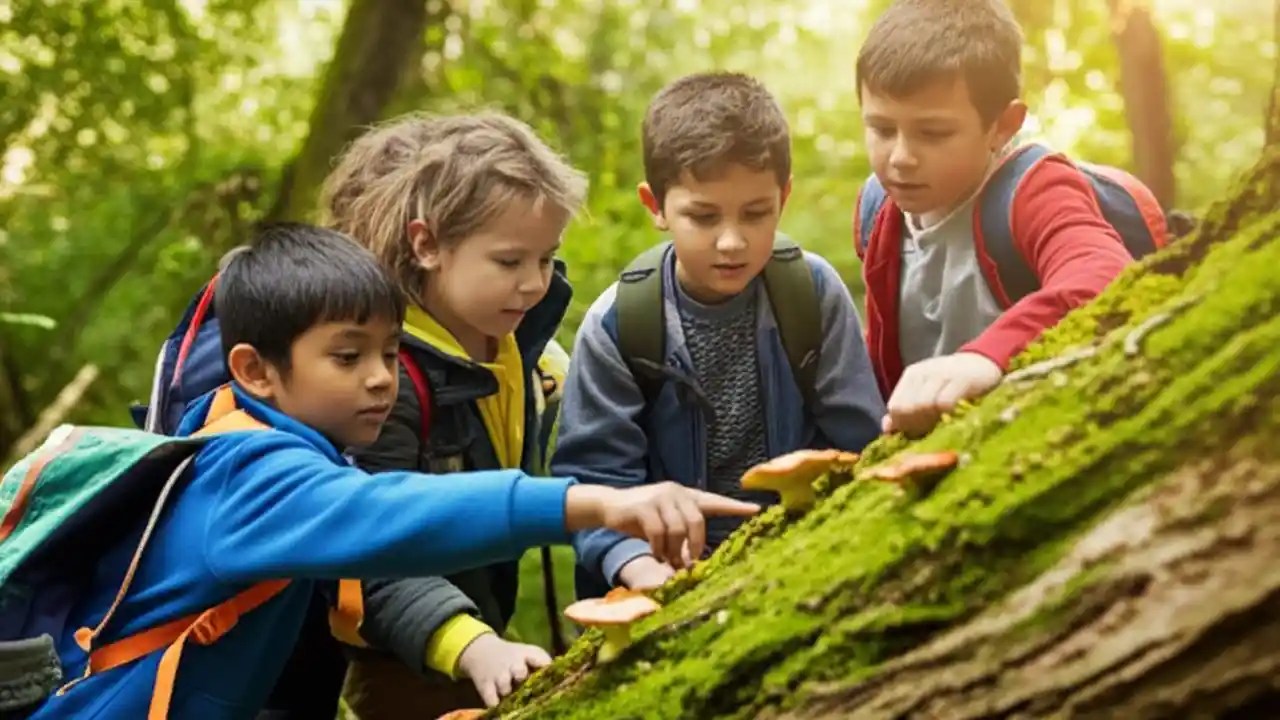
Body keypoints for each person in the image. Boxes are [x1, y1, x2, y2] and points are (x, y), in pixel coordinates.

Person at [31, 223, 758, 718]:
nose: (381, 379)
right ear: (255, 371)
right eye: (348, 357)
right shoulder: (249, 470)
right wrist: (593, 506)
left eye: (388, 353)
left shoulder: (260, 443)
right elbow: (393, 515)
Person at [551, 72, 886, 600]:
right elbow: (594, 480)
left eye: (756, 213)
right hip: (667, 573)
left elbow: (861, 442)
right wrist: (638, 567)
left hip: (798, 555)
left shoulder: (810, 291)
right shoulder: (618, 324)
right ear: (655, 206)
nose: (731, 241)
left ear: (785, 196)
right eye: (703, 217)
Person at [319, 111, 588, 714]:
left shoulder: (524, 351)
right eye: (509, 261)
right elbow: (366, 553)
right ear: (428, 244)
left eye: (546, 259)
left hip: (476, 638)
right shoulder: (383, 383)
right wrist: (471, 645)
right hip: (407, 661)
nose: (535, 285)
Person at [852, 0, 1140, 438]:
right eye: (882, 129)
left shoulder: (1033, 191)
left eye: (933, 133)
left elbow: (1105, 276)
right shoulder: (878, 210)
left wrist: (986, 357)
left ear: (1003, 126)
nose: (901, 158)